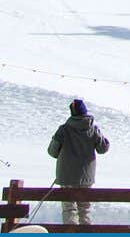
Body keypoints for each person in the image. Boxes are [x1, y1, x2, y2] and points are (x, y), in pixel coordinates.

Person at [47, 98, 110, 229]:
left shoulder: (64, 129)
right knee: (85, 210)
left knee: (69, 209)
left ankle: (70, 235)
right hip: (86, 177)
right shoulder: (93, 129)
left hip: (66, 176)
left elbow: (52, 151)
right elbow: (102, 149)